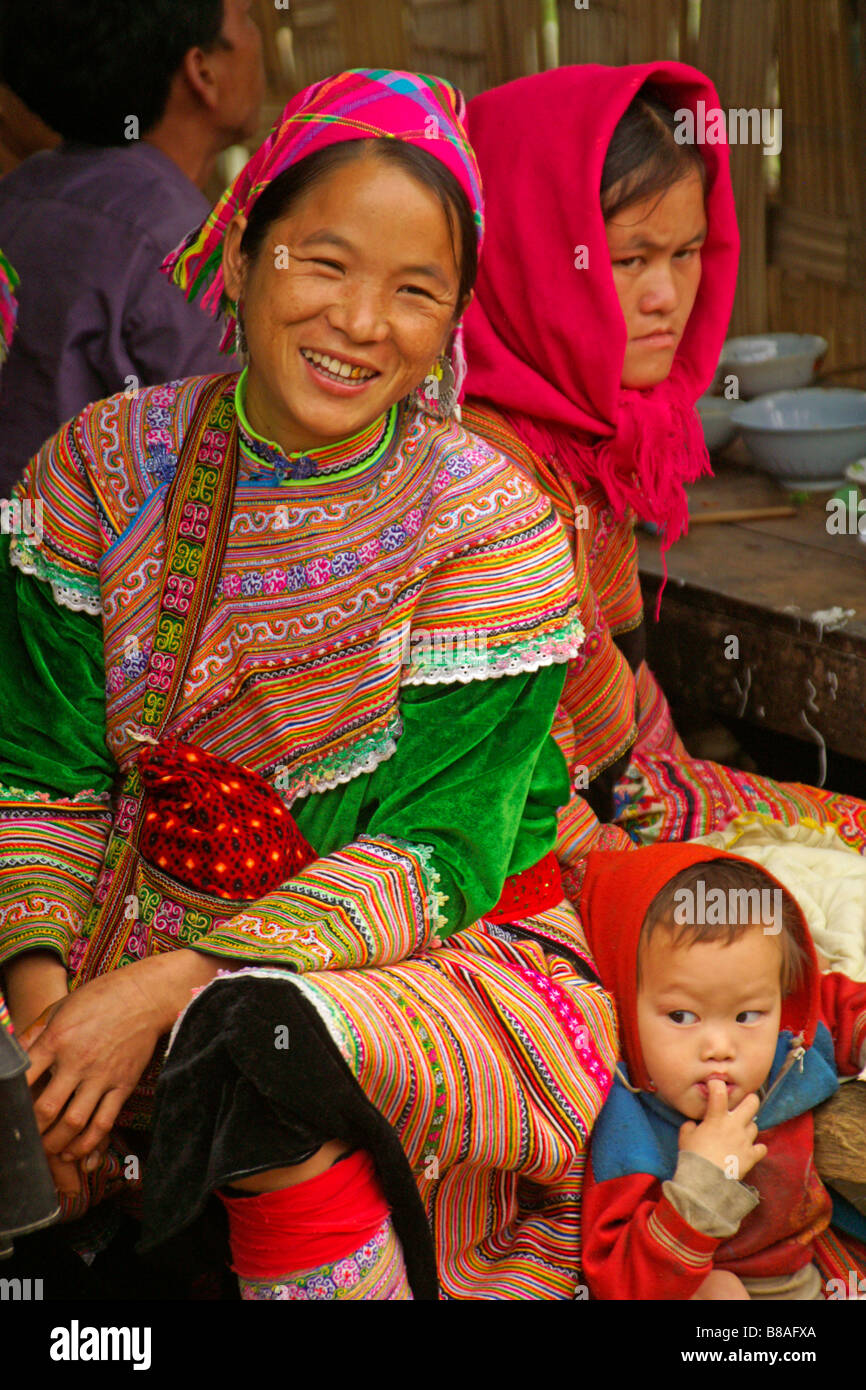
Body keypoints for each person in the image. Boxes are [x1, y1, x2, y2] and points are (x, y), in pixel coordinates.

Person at [0, 70, 617, 1301]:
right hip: (93, 939)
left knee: (256, 1043)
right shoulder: (98, 467)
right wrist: (47, 1029)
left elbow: (441, 850)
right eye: (322, 262)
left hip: (417, 958)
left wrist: (170, 992)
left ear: (451, 322)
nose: (359, 321)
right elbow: (39, 770)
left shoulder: (484, 523)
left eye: (414, 291)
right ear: (242, 253)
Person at [460, 62, 866, 879]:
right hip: (534, 867)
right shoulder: (483, 485)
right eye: (628, 259)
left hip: (627, 802)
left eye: (685, 253)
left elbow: (635, 743)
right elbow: (525, 810)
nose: (667, 296)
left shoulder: (592, 442)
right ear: (529, 252)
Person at [577, 843, 866, 1300]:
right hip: (693, 1285)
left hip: (797, 1274)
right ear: (622, 1008)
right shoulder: (626, 1127)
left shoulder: (788, 1043)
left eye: (747, 1015)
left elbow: (838, 1007)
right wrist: (705, 1179)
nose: (718, 1048)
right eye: (680, 1017)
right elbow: (620, 1282)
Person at [0, 0, 264, 490]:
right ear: (202, 72)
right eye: (247, 19)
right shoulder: (182, 252)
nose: (258, 39)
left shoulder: (20, 195)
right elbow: (230, 480)